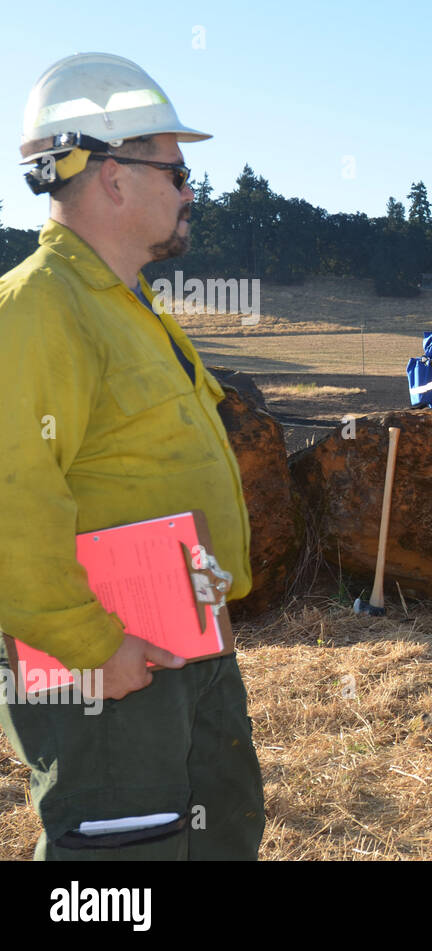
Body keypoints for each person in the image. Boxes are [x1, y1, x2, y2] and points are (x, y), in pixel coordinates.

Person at [0, 53, 264, 860]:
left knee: (218, 831)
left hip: (182, 641)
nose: (191, 191)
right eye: (177, 170)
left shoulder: (125, 308)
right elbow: (13, 494)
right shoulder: (40, 308)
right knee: (122, 867)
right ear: (113, 177)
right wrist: (91, 647)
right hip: (112, 665)